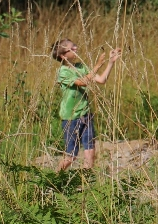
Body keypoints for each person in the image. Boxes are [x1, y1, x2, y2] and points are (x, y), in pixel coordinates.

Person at [51, 38, 122, 171]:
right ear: (63, 55)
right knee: (71, 156)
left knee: (90, 152)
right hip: (71, 118)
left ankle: (85, 184)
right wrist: (98, 65)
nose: (76, 49)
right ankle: (54, 179)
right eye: (72, 49)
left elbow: (101, 80)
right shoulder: (63, 72)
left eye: (75, 46)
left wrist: (110, 62)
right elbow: (82, 82)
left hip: (86, 114)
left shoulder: (80, 66)